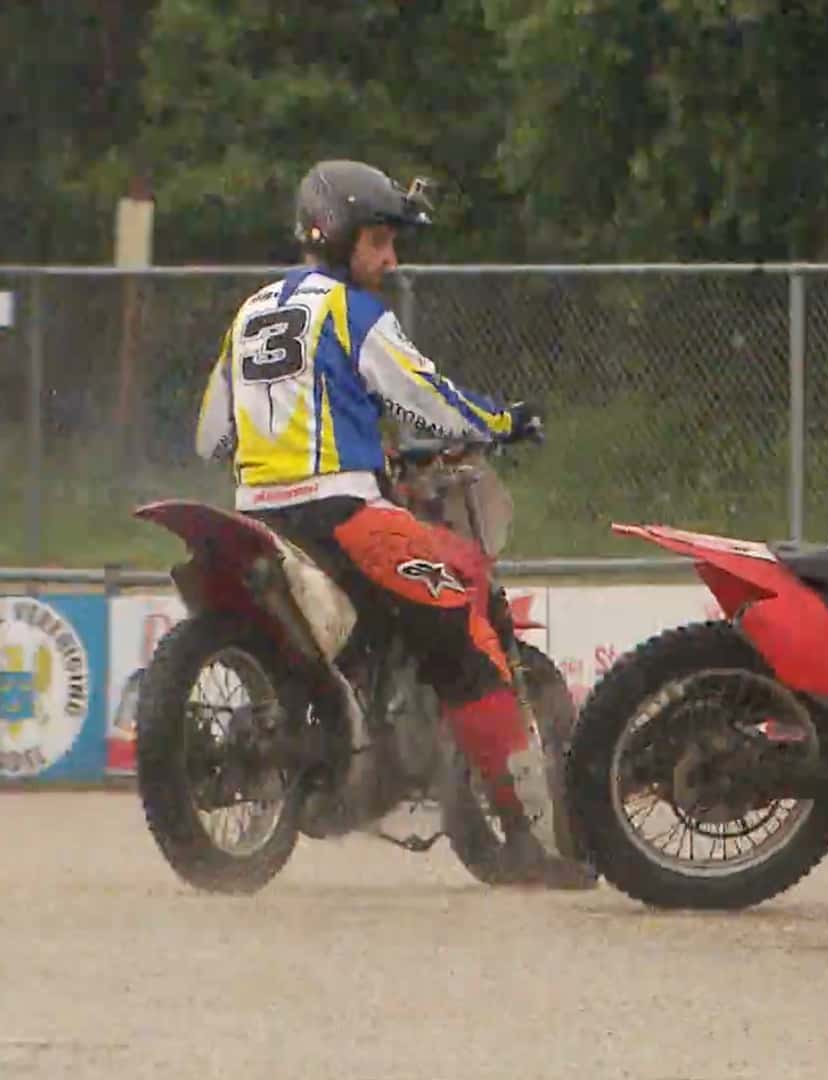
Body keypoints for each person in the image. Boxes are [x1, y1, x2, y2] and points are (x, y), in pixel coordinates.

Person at [194, 159, 590, 888]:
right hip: (343, 515)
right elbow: (426, 395)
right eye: (379, 241)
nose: (391, 258)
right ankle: (522, 839)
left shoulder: (249, 312)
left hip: (255, 514)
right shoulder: (354, 312)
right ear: (338, 236)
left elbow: (212, 438)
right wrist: (504, 421)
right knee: (463, 622)